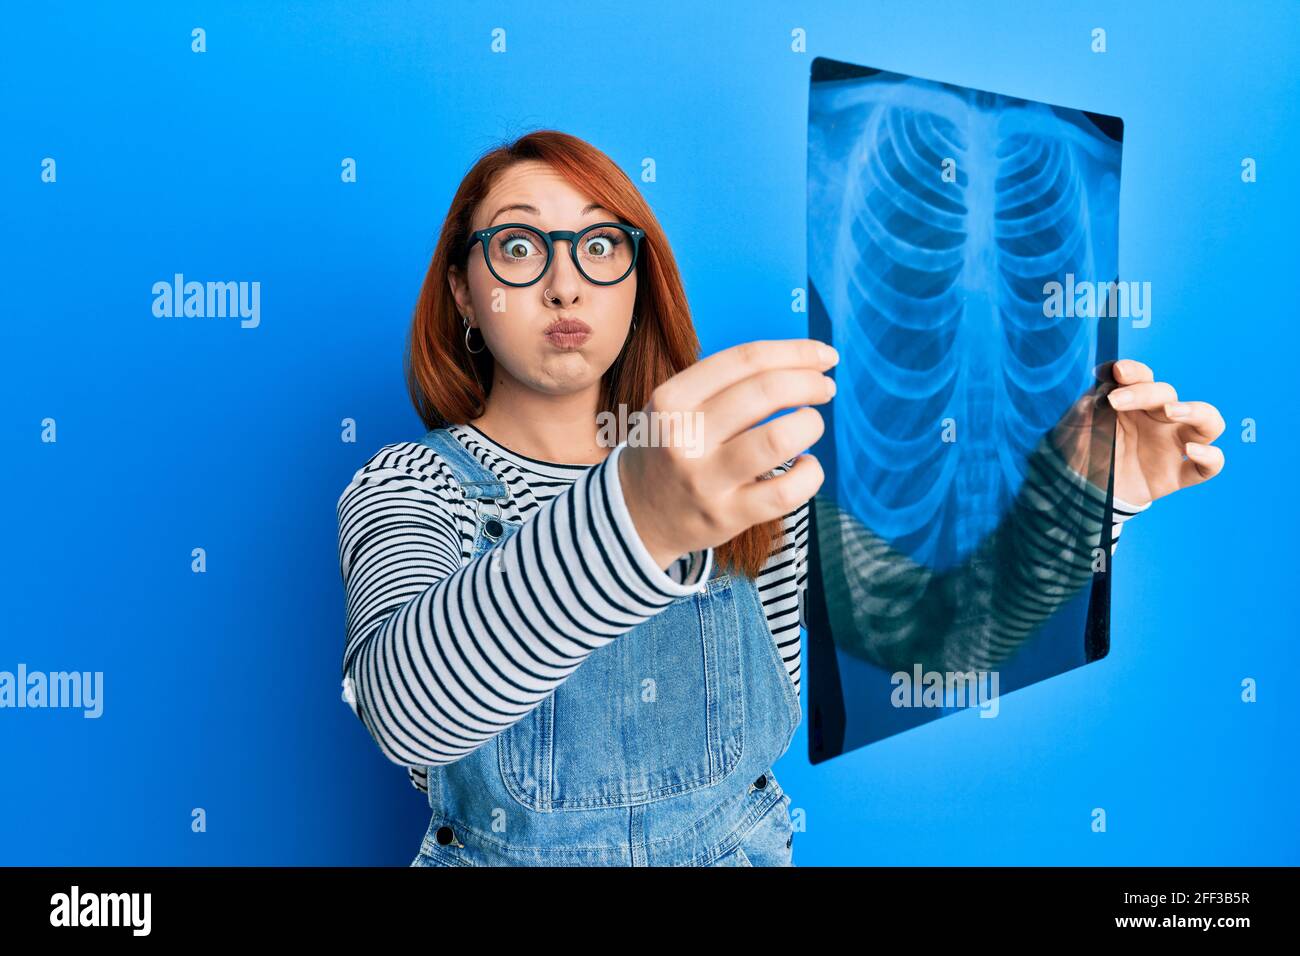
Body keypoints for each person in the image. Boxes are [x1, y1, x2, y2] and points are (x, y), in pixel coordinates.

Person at [335, 129, 1225, 866]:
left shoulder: (743, 472)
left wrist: (1090, 494)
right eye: (519, 246)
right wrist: (634, 521)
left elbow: (940, 631)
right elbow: (406, 709)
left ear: (637, 284)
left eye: (600, 245)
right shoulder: (411, 486)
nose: (565, 283)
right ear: (463, 287)